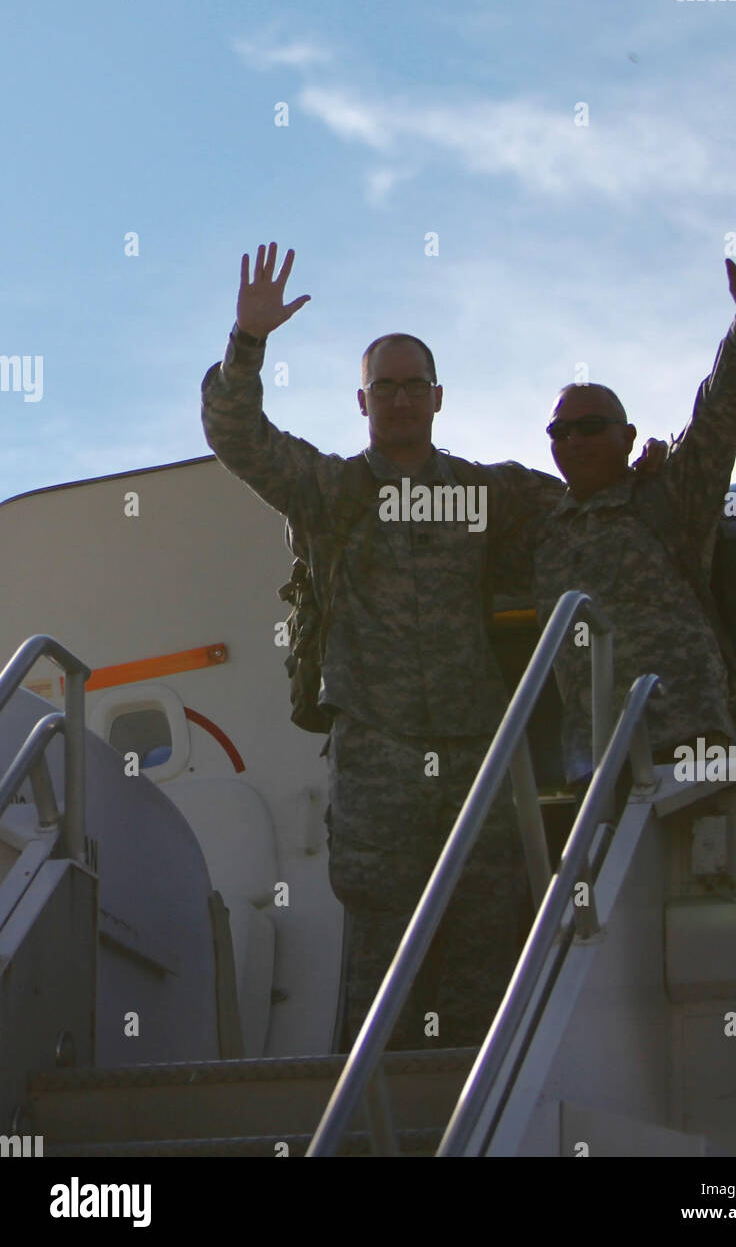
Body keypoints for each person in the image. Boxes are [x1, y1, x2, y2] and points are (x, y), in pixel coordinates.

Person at [201, 241, 565, 1051]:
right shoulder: (332, 493)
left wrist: (645, 463)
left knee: (484, 945)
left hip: (477, 751)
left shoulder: (482, 493)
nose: (400, 401)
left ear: (437, 398)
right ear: (362, 403)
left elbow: (587, 509)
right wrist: (248, 339)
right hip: (378, 753)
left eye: (413, 387)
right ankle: (372, 1132)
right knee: (382, 961)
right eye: (384, 389)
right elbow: (236, 433)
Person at [531, 230, 736, 785]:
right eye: (560, 430)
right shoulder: (540, 530)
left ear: (628, 437)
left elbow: (721, 417)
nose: (574, 440)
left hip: (690, 744)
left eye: (591, 427)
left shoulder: (669, 496)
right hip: (598, 766)